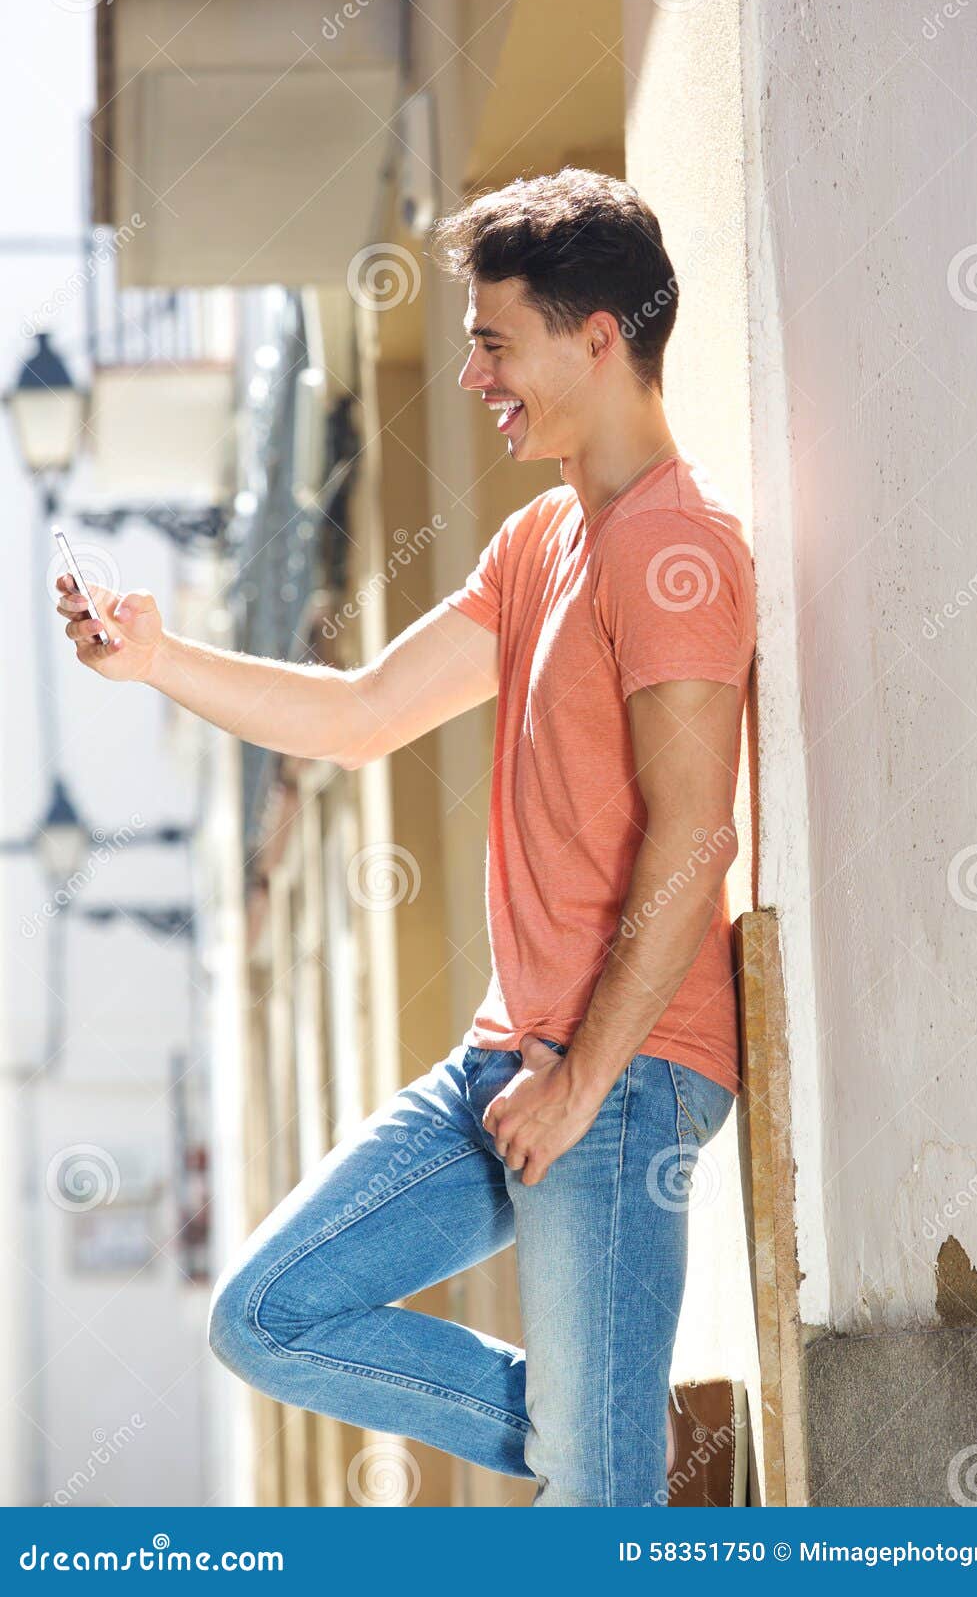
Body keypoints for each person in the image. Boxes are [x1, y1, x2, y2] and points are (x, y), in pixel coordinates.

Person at [55, 168, 756, 1507]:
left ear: (596, 338)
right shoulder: (542, 541)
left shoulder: (678, 551)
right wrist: (153, 657)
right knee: (267, 1311)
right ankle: (604, 1445)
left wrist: (582, 1077)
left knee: (593, 1528)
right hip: (511, 1055)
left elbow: (693, 845)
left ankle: (605, 1464)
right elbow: (361, 712)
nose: (473, 373)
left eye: (496, 340)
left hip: (628, 1070)